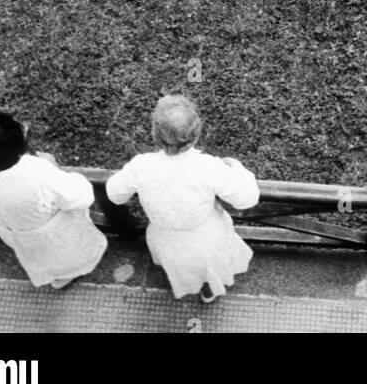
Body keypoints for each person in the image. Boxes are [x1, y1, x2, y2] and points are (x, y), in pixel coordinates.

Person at [105, 94, 259, 303]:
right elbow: (247, 199)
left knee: (178, 264)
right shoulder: (209, 166)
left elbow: (114, 194)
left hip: (166, 235)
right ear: (196, 133)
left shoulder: (141, 166)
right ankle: (208, 289)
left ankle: (186, 281)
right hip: (205, 234)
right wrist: (237, 168)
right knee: (209, 264)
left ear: (155, 134)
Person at [0, 111, 106, 290]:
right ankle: (67, 275)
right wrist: (53, 167)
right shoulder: (39, 173)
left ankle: (52, 277)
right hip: (51, 232)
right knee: (67, 255)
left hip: (9, 226)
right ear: (20, 148)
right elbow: (81, 196)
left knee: (34, 256)